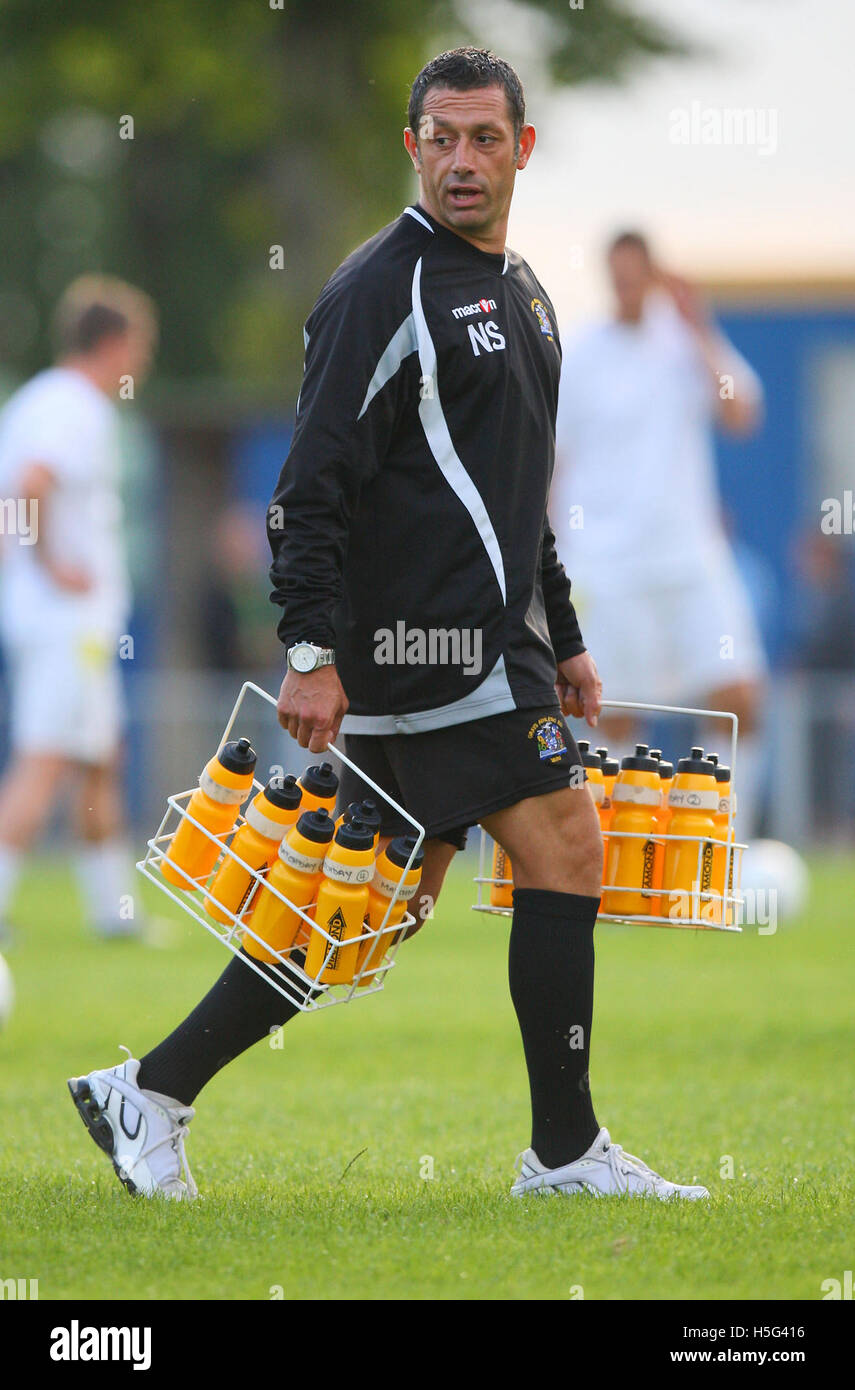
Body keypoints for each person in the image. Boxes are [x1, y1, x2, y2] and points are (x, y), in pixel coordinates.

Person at [69, 51, 709, 1203]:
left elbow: (525, 502)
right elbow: (306, 487)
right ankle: (563, 1154)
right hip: (427, 654)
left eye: (484, 138)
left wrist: (562, 634)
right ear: (412, 146)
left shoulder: (527, 294)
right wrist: (311, 648)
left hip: (493, 649)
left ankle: (149, 1091)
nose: (462, 160)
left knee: (375, 898)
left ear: (524, 148)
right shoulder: (380, 288)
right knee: (566, 844)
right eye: (440, 137)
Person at [553, 232, 767, 831]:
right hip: (603, 566)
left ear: (651, 274)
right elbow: (551, 461)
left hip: (689, 556)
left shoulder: (685, 343)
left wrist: (697, 324)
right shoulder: (582, 352)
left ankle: (726, 844)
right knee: (614, 713)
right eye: (615, 273)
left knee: (740, 696)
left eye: (635, 274)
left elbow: (742, 413)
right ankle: (620, 858)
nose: (624, 285)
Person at [0, 276, 157, 941]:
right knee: (41, 761)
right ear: (116, 343)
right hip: (64, 622)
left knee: (99, 761)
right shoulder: (76, 405)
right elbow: (31, 484)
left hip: (69, 625)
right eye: (140, 347)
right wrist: (53, 564)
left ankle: (112, 914)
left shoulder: (42, 397)